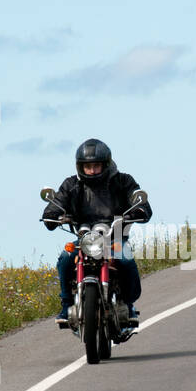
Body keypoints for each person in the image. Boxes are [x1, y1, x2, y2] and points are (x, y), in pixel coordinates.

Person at [42, 138, 152, 322]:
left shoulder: (123, 181)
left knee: (126, 260)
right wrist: (52, 214)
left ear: (106, 164)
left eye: (96, 166)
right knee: (65, 259)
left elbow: (139, 200)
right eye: (88, 166)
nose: (92, 170)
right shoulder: (71, 184)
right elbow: (58, 202)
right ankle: (67, 304)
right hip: (85, 239)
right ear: (80, 167)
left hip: (115, 238)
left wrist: (138, 210)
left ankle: (127, 304)